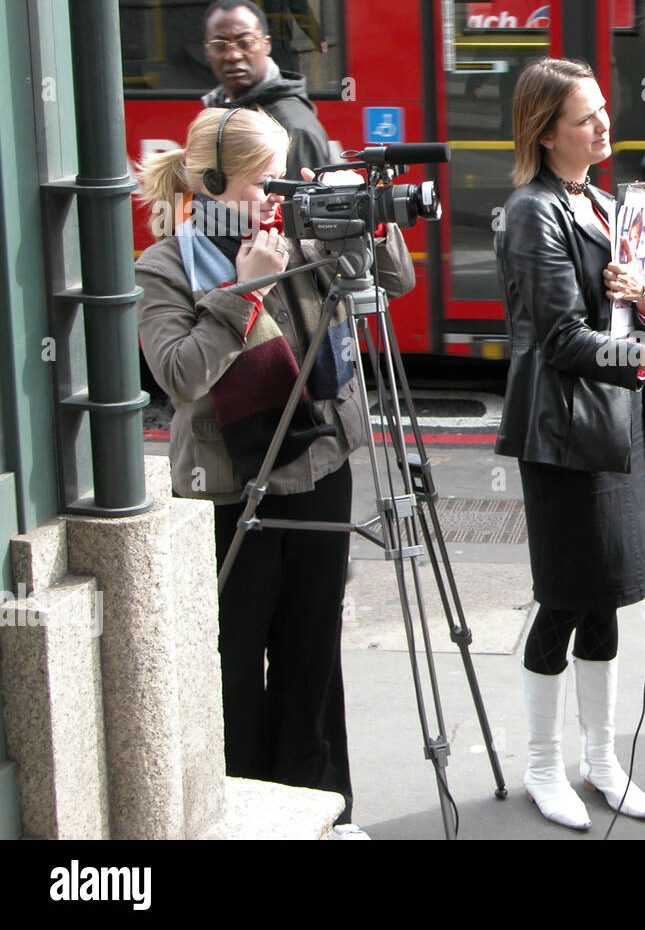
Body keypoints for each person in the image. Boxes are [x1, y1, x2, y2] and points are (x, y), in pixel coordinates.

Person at [134, 106, 414, 837]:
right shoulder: (165, 265)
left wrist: (365, 215)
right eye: (265, 180)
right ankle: (249, 811)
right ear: (213, 183)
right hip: (230, 484)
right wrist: (246, 291)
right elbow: (179, 376)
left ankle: (326, 808)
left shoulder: (299, 229)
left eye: (284, 175)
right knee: (236, 660)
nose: (278, 193)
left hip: (320, 464)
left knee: (312, 647)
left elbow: (396, 283)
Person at [494, 57, 645, 831]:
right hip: (562, 433)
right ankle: (542, 766)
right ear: (545, 131)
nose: (603, 125)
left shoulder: (594, 199)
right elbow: (562, 340)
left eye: (601, 111)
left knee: (607, 595)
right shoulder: (533, 212)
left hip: (613, 424)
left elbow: (620, 313)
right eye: (584, 117)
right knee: (564, 597)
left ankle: (600, 760)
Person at [201, 0, 333, 180]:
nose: (232, 55)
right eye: (219, 45)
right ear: (207, 52)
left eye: (245, 42)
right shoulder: (216, 114)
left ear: (266, 45)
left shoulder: (294, 129)